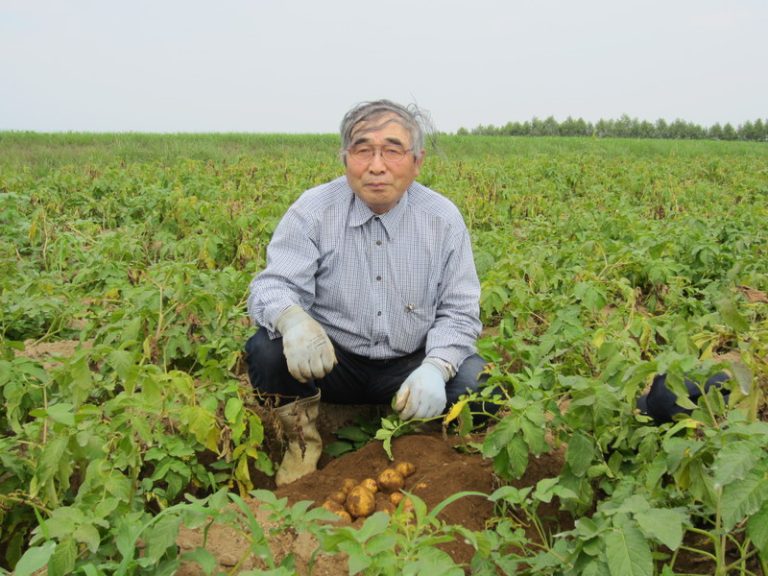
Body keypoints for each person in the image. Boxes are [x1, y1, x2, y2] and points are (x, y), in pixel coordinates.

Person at [244, 99, 488, 486]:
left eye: (392, 150)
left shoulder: (442, 219)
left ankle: (427, 445)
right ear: (345, 158)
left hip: (410, 361)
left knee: (476, 385)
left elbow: (459, 312)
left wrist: (436, 368)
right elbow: (272, 285)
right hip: (334, 363)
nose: (377, 165)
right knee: (267, 350)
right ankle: (301, 444)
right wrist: (292, 320)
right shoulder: (314, 210)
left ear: (417, 161)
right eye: (363, 150)